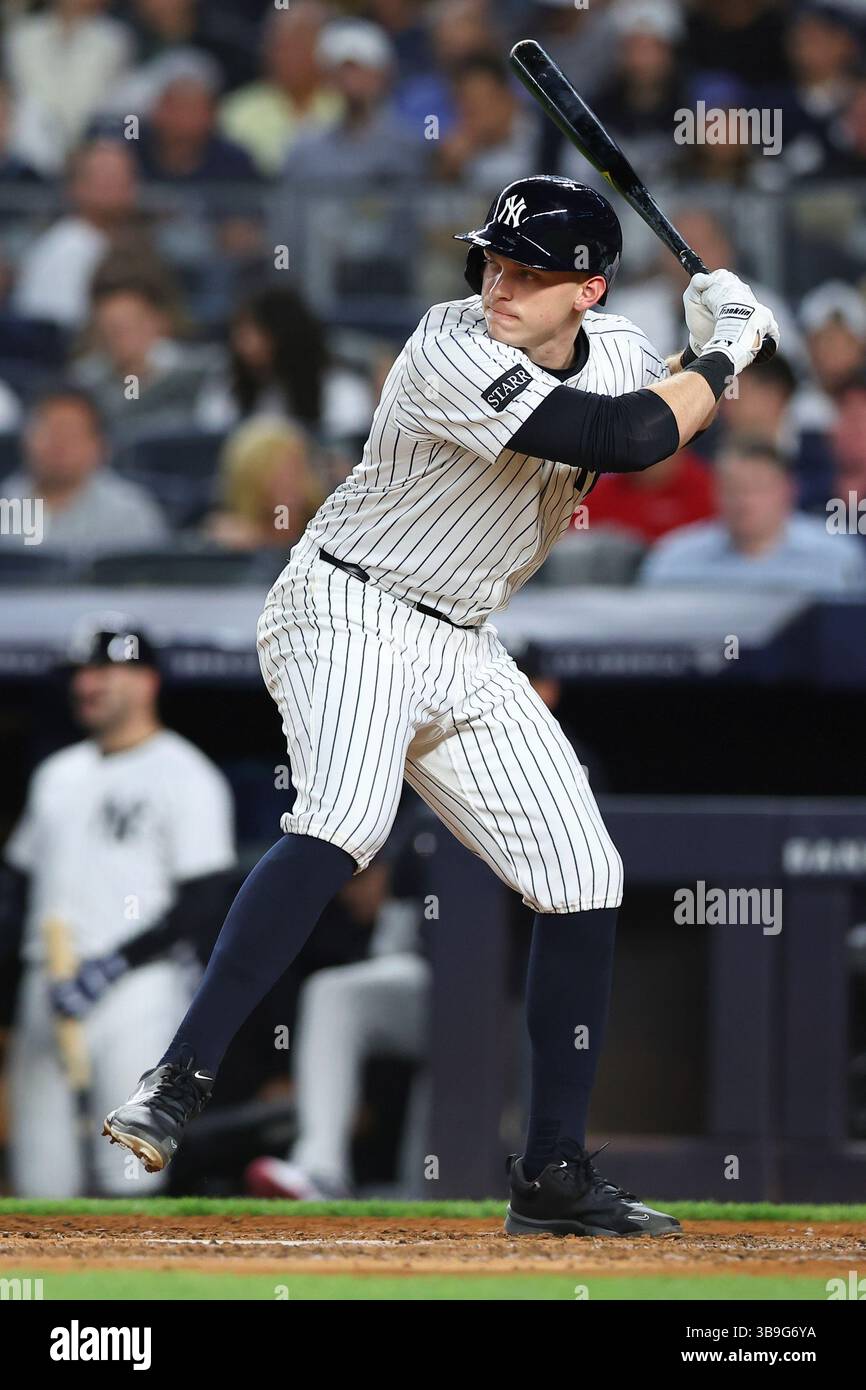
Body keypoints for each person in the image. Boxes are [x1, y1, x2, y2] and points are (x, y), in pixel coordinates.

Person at [103, 174, 779, 1238]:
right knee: (345, 817)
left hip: (462, 636)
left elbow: (651, 420)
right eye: (493, 263)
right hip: (348, 604)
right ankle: (177, 1078)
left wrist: (704, 345)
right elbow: (630, 441)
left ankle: (551, 1172)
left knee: (581, 872)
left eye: (529, 272)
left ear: (588, 291)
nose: (499, 284)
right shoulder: (445, 344)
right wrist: (726, 350)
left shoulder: (619, 354)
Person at [2, 621, 236, 1196]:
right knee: (39, 1176)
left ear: (145, 681)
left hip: (137, 991)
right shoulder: (58, 774)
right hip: (48, 983)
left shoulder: (185, 773)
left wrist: (114, 964)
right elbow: (16, 885)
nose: (88, 684)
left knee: (129, 1170)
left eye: (104, 671)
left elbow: (206, 901)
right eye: (82, 673)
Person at [640, 437, 866, 593]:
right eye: (734, 488)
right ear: (715, 492)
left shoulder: (838, 559)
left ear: (788, 490)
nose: (745, 500)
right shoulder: (674, 562)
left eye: (758, 488)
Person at [0, 387, 168, 555]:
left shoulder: (130, 512)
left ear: (100, 445)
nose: (59, 444)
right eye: (49, 431)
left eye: (71, 433)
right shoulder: (5, 500)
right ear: (26, 439)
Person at [12, 139, 145, 331]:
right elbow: (58, 331)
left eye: (124, 177)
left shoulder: (133, 242)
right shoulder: (62, 249)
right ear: (76, 187)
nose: (118, 186)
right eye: (105, 178)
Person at [202, 418, 325, 552]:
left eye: (295, 468)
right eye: (275, 473)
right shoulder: (219, 529)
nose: (288, 481)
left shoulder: (328, 520)